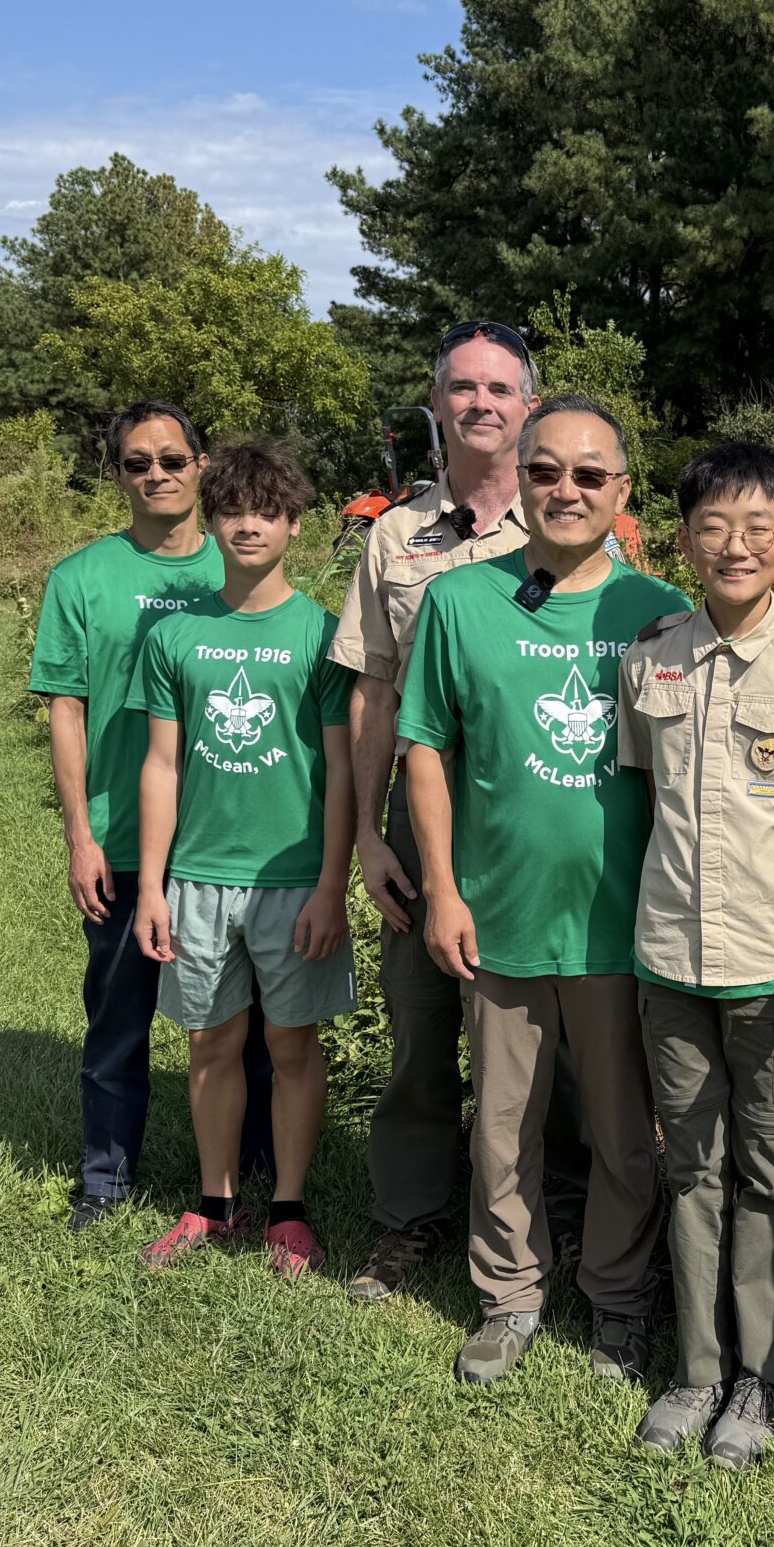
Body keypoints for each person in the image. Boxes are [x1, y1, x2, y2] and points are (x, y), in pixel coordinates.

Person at [395, 394, 690, 1385]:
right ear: (518, 479)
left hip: (622, 928)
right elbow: (425, 749)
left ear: (622, 491)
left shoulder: (657, 615)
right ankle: (509, 1294)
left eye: (589, 474)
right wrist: (441, 888)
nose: (567, 489)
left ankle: (614, 1301)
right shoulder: (458, 602)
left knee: (619, 1136)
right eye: (546, 471)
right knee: (503, 1129)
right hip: (500, 916)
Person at [616, 443, 774, 1469]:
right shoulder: (650, 658)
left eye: (757, 527)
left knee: (771, 1175)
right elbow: (642, 797)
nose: (735, 544)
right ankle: (695, 1371)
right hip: (668, 959)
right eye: (714, 526)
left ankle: (763, 1384)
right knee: (691, 1171)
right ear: (682, 540)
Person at [331, 320, 592, 1302]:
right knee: (419, 1025)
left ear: (531, 403)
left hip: (538, 821)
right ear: (436, 403)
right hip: (419, 825)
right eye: (461, 388)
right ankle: (411, 1216)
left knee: (554, 1041)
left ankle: (559, 1208)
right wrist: (365, 831)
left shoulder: (568, 523)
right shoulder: (397, 538)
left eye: (499, 388)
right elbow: (372, 694)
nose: (480, 404)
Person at [27, 401, 273, 1231]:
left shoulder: (240, 561)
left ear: (202, 467)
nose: (158, 474)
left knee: (251, 1026)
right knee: (118, 1019)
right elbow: (65, 708)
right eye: (138, 463)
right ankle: (106, 1177)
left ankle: (261, 1171)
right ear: (118, 475)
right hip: (125, 837)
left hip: (229, 841)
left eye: (173, 458)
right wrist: (81, 834)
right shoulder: (81, 579)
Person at [130, 442, 356, 1276]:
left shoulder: (324, 636)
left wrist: (333, 885)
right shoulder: (177, 635)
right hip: (195, 880)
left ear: (295, 525)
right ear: (211, 519)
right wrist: (152, 886)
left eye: (268, 510)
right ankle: (214, 1203)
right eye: (233, 510)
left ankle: (288, 1211)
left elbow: (340, 773)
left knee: (294, 1048)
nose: (249, 524)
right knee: (210, 1044)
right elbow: (161, 764)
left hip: (293, 882)